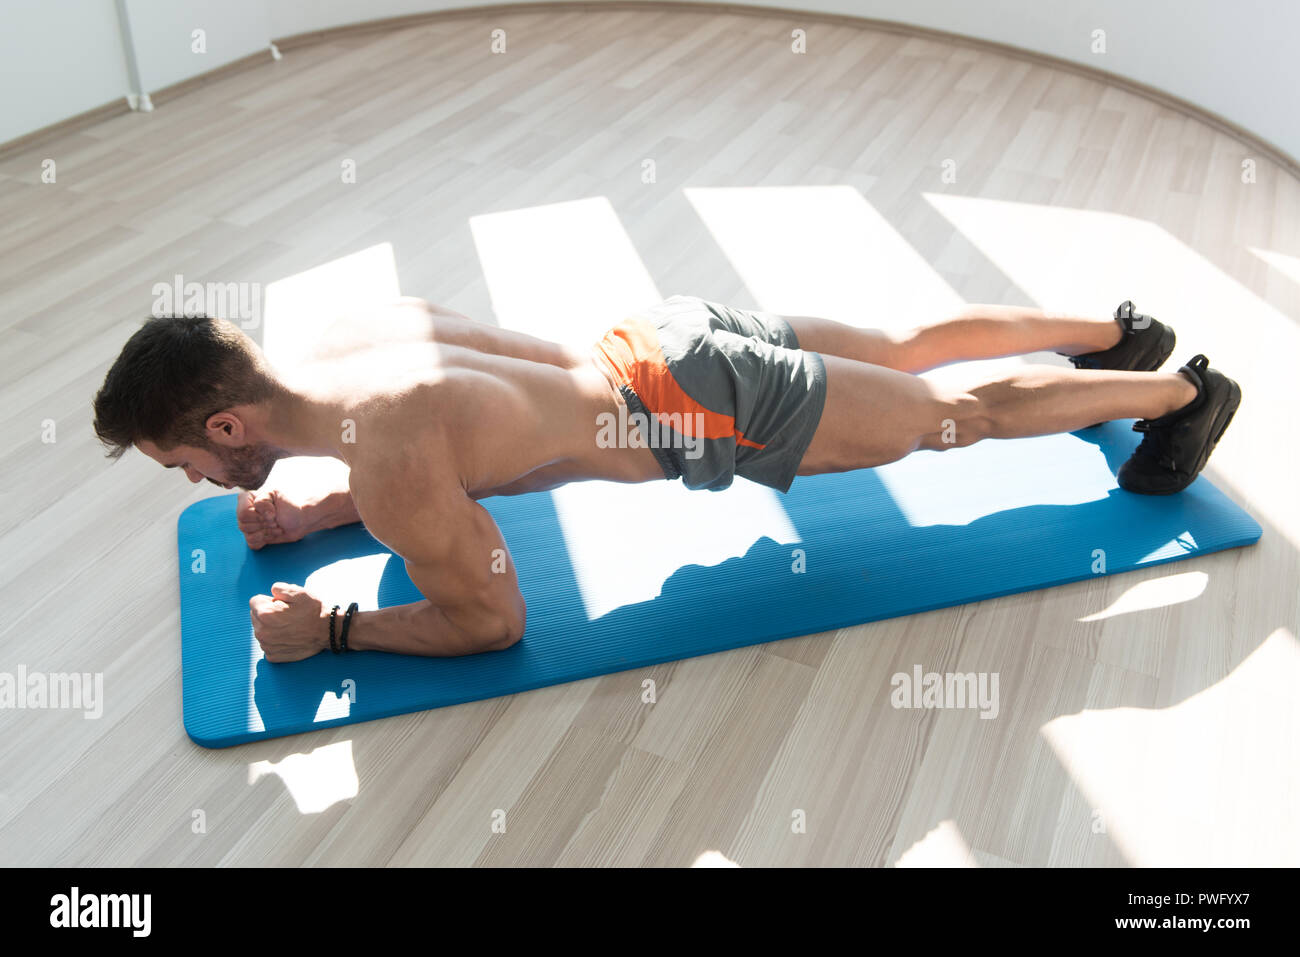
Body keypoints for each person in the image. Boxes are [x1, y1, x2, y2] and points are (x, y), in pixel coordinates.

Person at [91, 295, 1240, 661]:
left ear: (228, 417)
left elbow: (491, 622)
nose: (194, 480)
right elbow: (477, 435)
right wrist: (313, 509)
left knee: (961, 418)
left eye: (181, 460)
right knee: (898, 353)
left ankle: (1183, 396)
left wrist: (331, 631)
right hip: (661, 333)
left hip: (705, 405)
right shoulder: (354, 348)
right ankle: (1117, 333)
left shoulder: (391, 466)